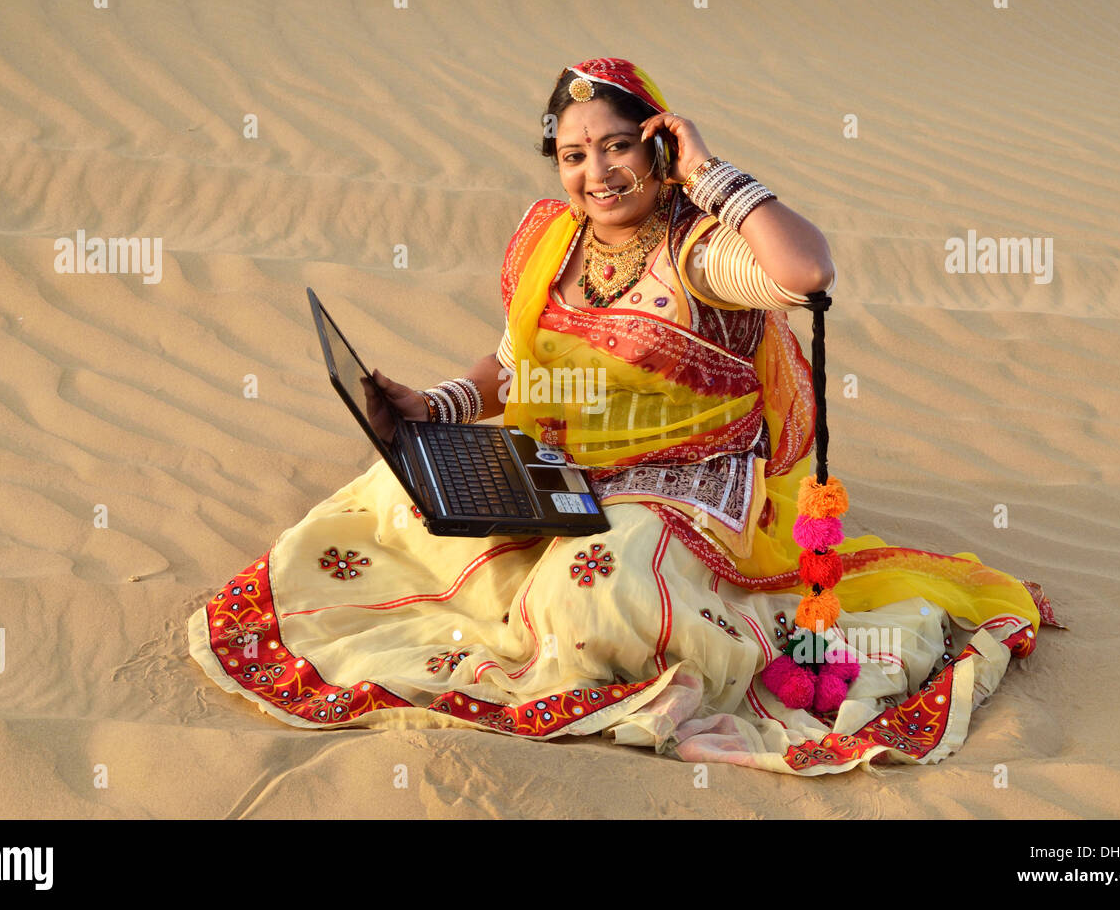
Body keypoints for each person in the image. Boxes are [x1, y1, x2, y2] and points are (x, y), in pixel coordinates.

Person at [187, 57, 1059, 776]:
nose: (595, 174)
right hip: (563, 467)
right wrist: (435, 406)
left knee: (592, 588)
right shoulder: (548, 239)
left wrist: (711, 171)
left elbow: (807, 273)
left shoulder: (702, 250)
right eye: (572, 156)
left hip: (687, 483)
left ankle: (669, 662)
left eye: (617, 149)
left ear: (657, 147)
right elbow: (517, 360)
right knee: (382, 504)